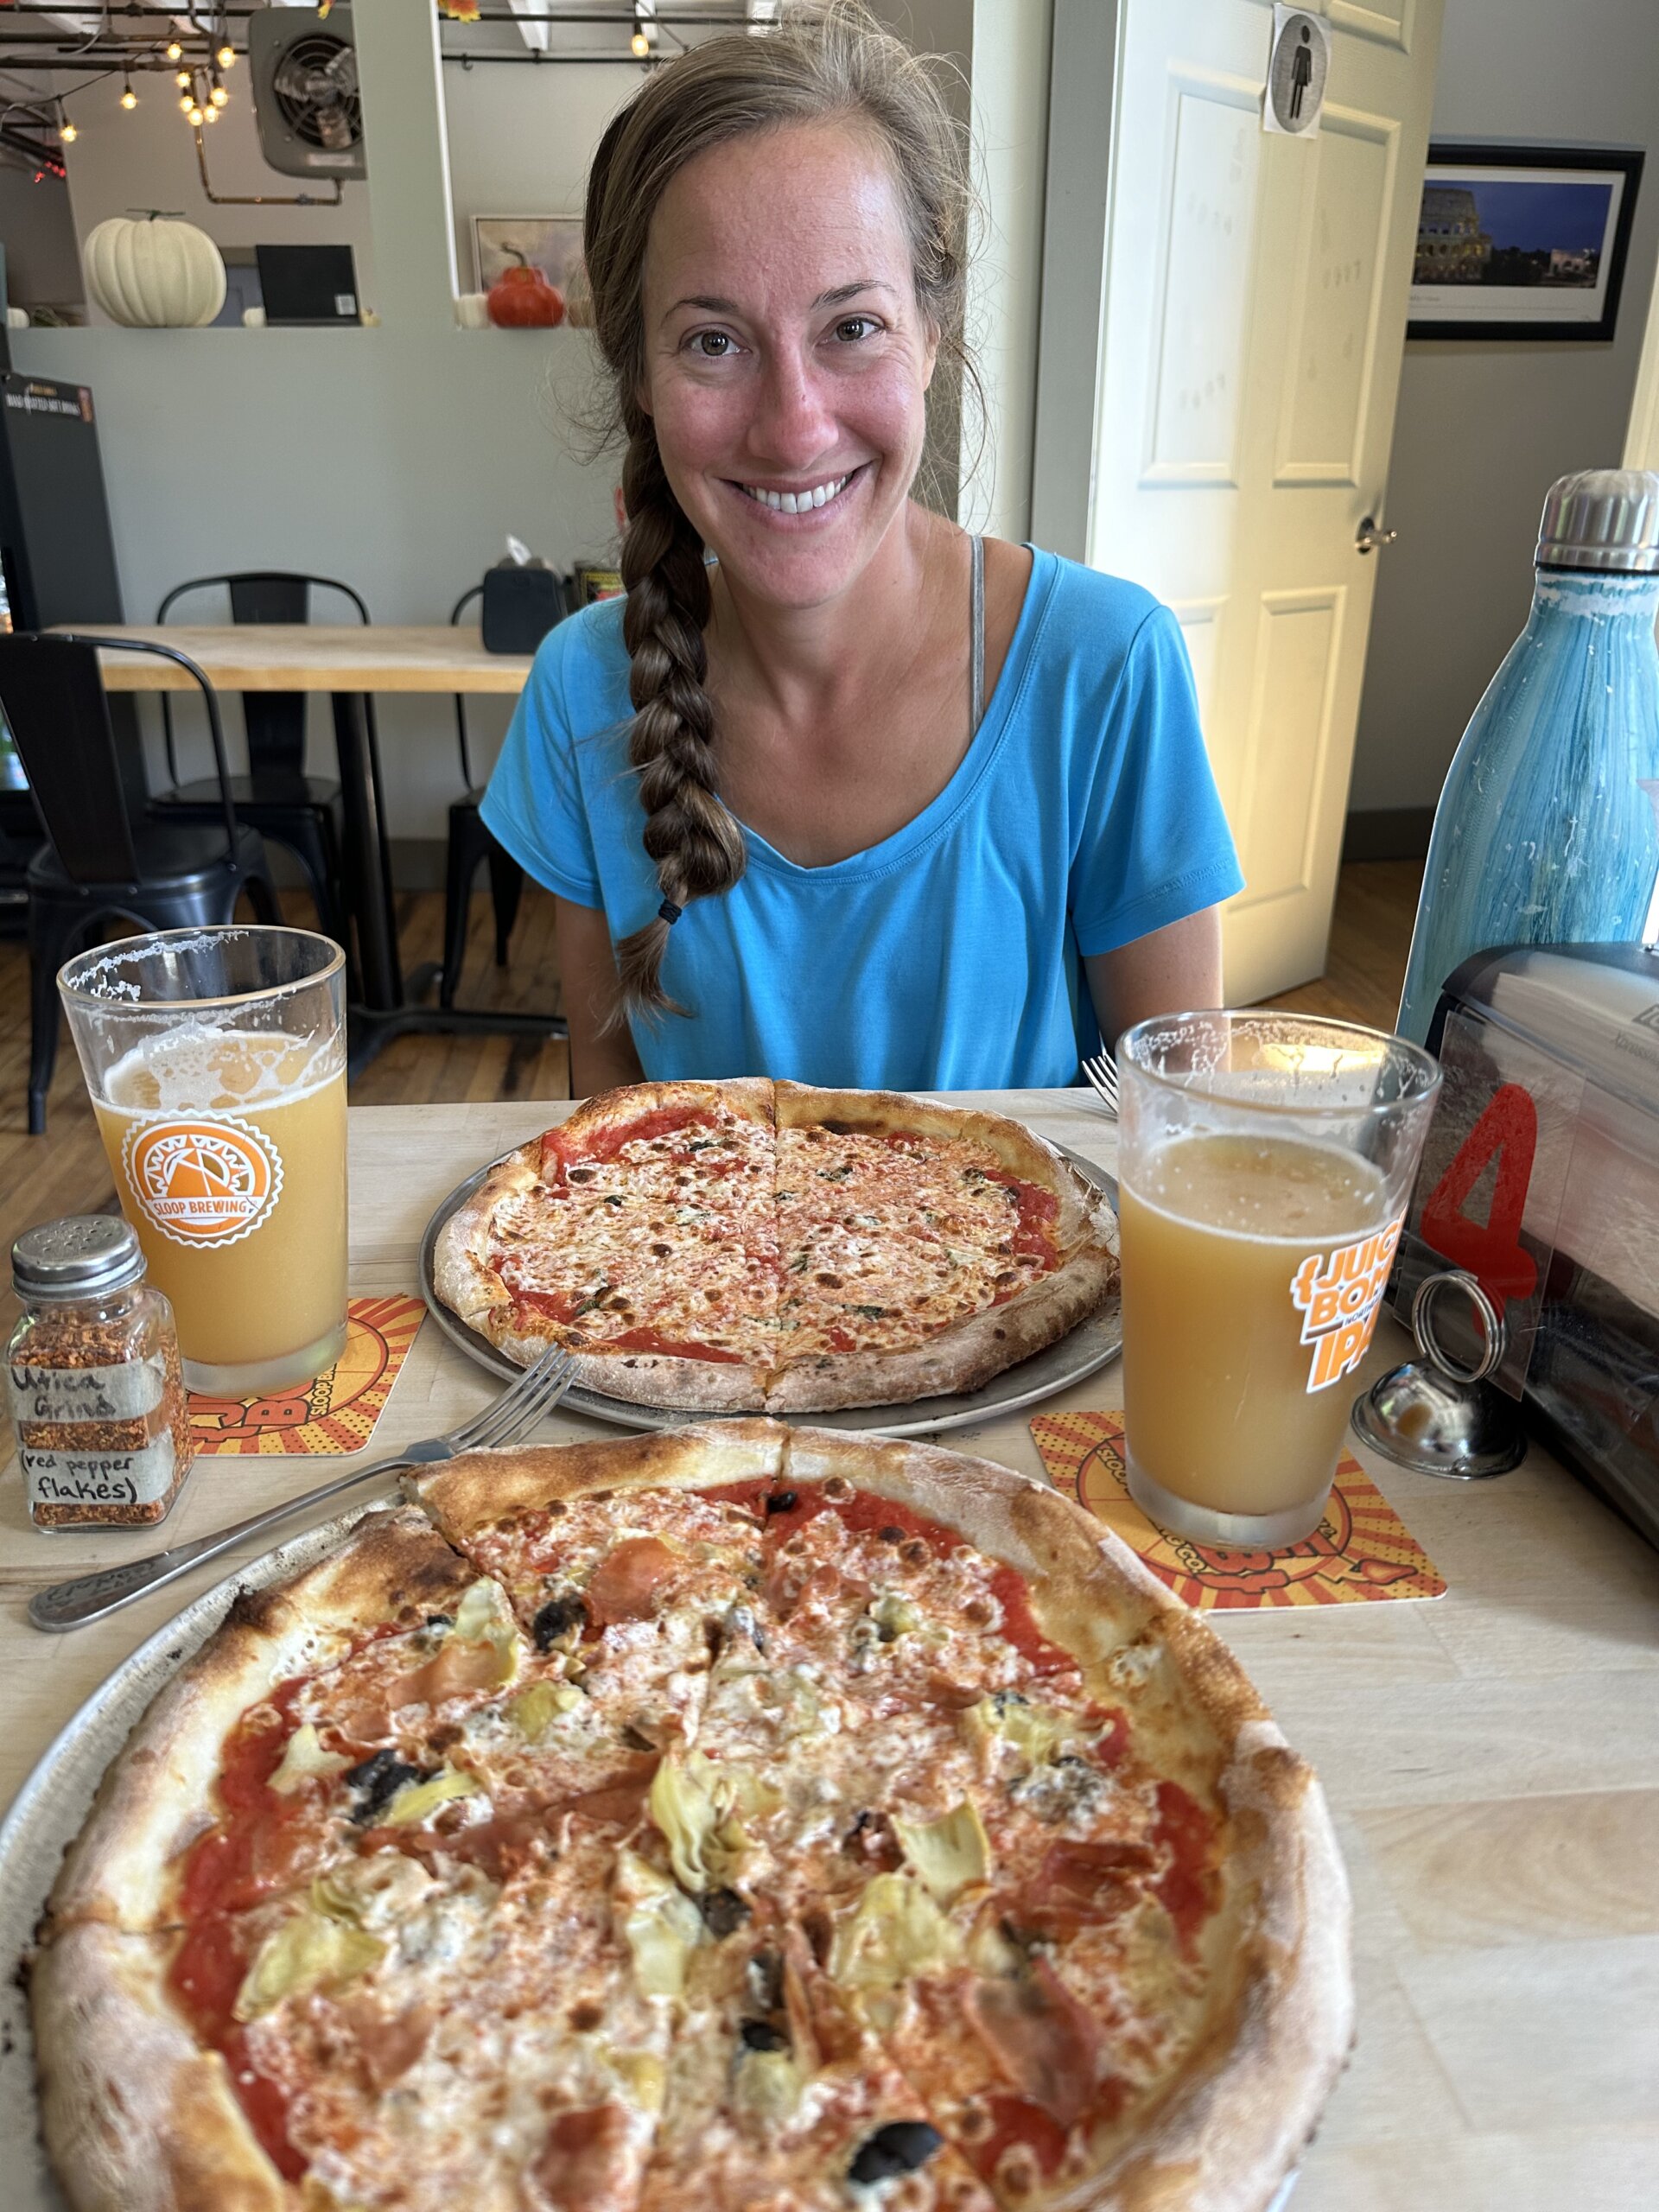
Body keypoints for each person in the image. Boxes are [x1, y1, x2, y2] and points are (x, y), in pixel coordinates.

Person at [484, 0, 1242, 1098]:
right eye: (712, 340)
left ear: (931, 334)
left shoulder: (1105, 665)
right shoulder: (579, 692)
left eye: (851, 327)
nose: (793, 426)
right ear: (638, 378)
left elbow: (1183, 1133)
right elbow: (607, 1149)